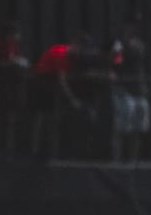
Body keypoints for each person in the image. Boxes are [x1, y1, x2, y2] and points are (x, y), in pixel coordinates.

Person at [28, 33, 87, 159]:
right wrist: (72, 99)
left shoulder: (71, 57)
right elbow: (61, 79)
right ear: (75, 43)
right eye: (80, 47)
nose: (80, 51)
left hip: (50, 84)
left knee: (51, 119)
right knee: (42, 118)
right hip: (42, 84)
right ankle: (35, 151)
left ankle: (50, 151)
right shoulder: (62, 53)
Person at [110, 20, 151, 163]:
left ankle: (133, 160)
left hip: (139, 90)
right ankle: (117, 160)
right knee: (122, 126)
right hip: (123, 90)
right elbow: (116, 62)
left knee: (138, 128)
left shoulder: (140, 44)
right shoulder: (119, 44)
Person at [0, 23, 26, 156]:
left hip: (13, 84)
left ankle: (10, 147)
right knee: (6, 116)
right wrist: (13, 62)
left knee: (11, 116)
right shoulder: (4, 45)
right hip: (5, 84)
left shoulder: (14, 46)